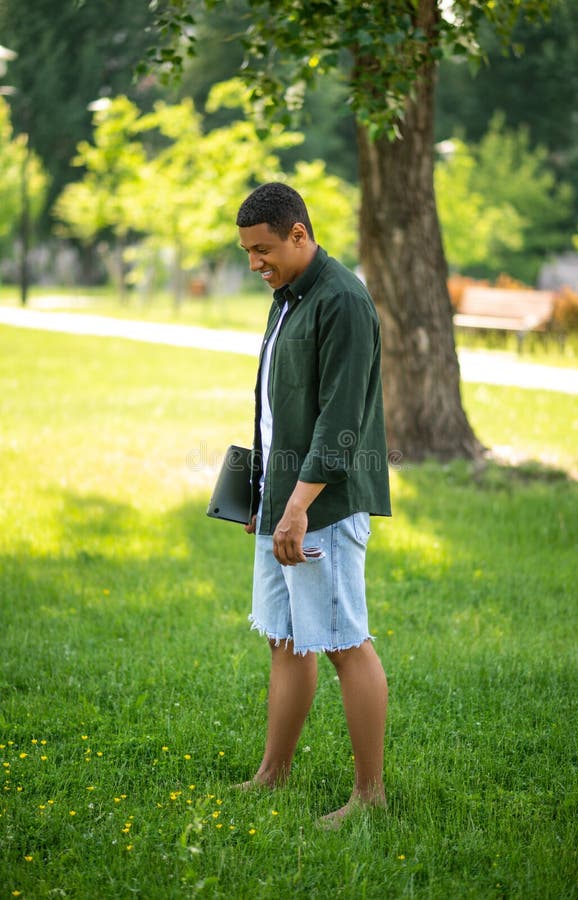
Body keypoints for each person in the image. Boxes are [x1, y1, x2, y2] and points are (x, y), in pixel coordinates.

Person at [236, 182, 391, 827]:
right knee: (285, 641)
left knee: (342, 643)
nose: (255, 264)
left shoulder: (343, 300)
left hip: (322, 506)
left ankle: (369, 795)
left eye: (264, 250)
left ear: (299, 233)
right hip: (283, 498)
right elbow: (278, 408)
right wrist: (262, 495)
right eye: (248, 252)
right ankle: (273, 775)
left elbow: (342, 420)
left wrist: (297, 507)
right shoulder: (285, 296)